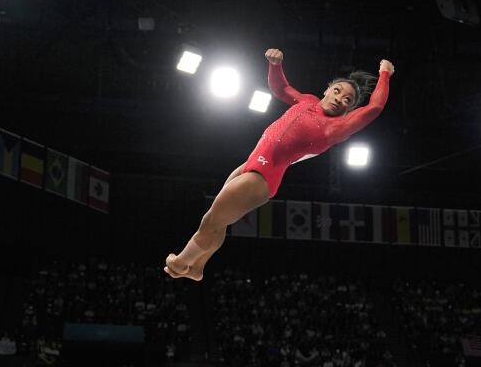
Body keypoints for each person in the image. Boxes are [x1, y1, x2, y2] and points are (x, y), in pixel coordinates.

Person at [165, 48, 394, 281]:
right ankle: (198, 267)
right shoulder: (307, 100)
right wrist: (275, 65)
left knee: (212, 219)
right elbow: (280, 88)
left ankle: (182, 262)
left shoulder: (334, 129)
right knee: (220, 220)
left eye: (348, 100)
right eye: (337, 91)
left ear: (349, 110)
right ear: (327, 89)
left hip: (263, 176)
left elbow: (374, 108)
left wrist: (385, 73)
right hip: (251, 163)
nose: (339, 99)